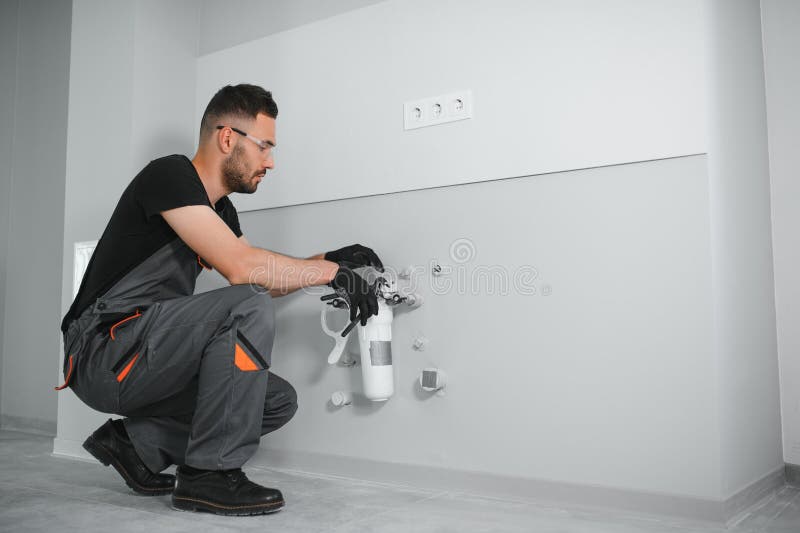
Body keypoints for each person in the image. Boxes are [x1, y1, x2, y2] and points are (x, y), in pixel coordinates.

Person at [56, 84, 384, 516]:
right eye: (264, 146)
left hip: (146, 352)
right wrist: (333, 274)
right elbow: (243, 269)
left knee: (273, 400)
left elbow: (264, 275)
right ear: (227, 138)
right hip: (101, 351)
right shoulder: (169, 175)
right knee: (243, 302)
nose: (270, 161)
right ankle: (207, 477)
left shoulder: (220, 210)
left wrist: (331, 261)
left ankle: (136, 446)